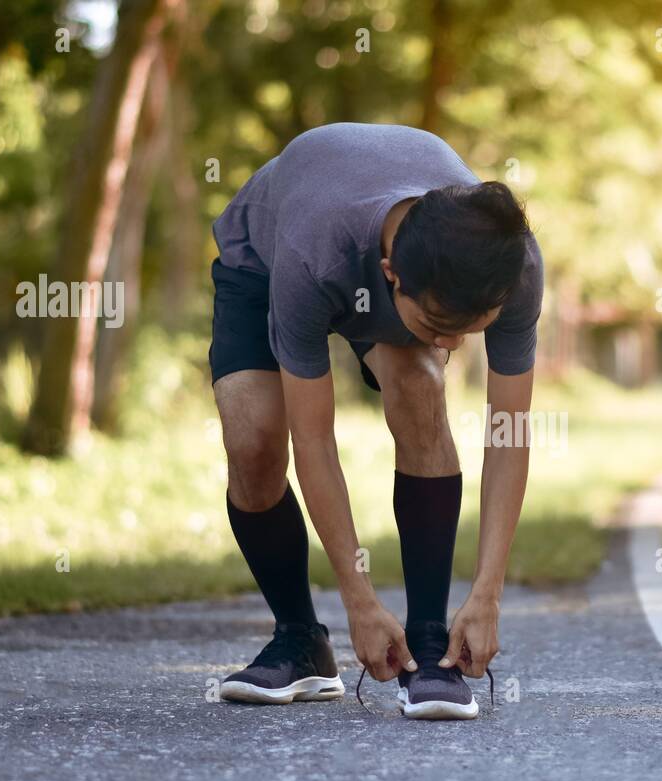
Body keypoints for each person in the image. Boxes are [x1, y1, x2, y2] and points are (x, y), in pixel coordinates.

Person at [209, 123, 542, 719]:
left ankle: (432, 643)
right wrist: (359, 600)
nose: (456, 340)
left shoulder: (510, 263)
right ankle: (300, 639)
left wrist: (488, 594)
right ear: (392, 275)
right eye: (440, 325)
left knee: (421, 385)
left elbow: (509, 431)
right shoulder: (315, 253)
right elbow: (314, 437)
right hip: (266, 259)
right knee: (253, 438)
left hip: (380, 256)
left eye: (474, 325)